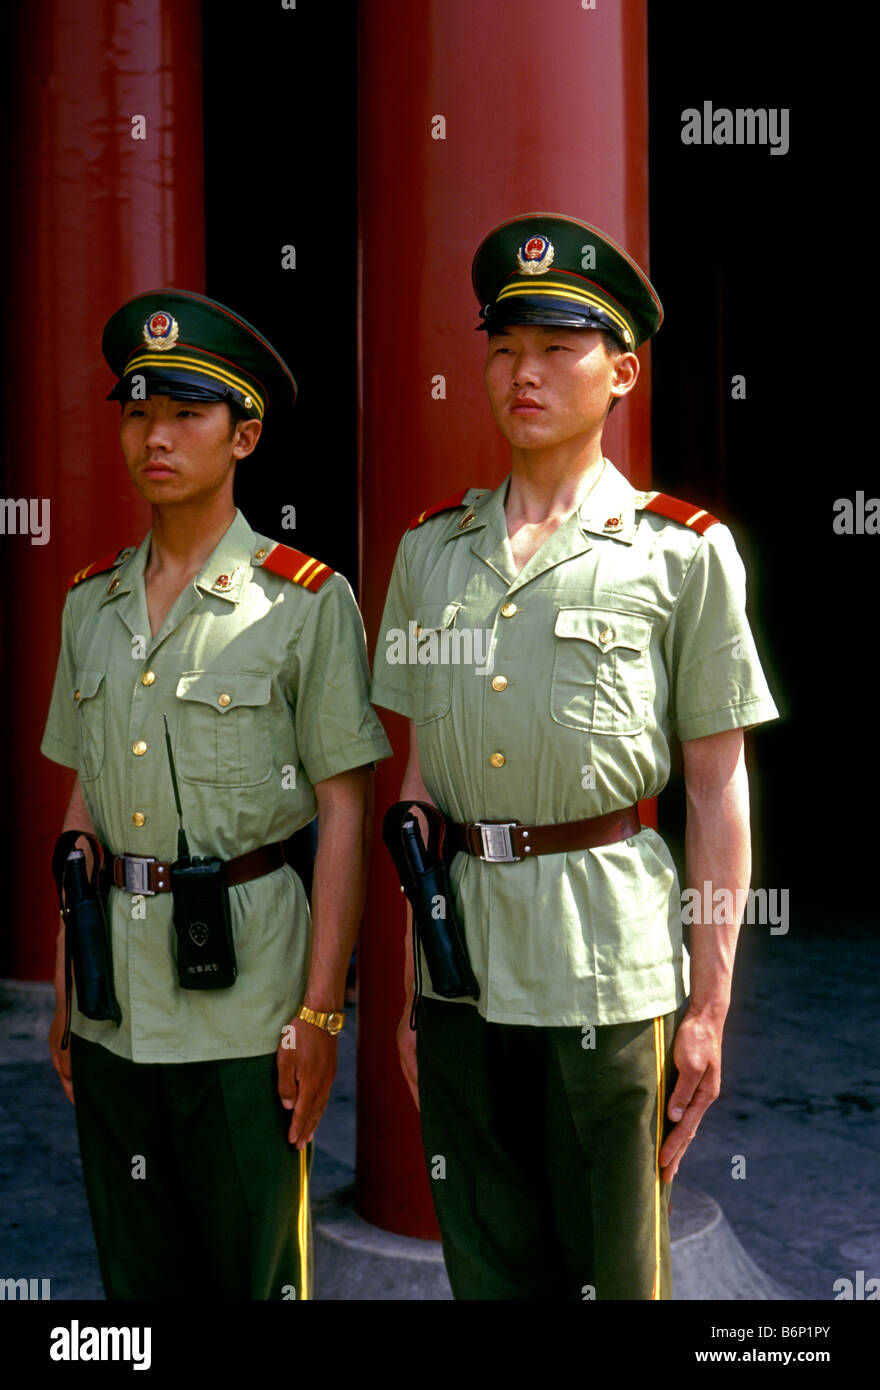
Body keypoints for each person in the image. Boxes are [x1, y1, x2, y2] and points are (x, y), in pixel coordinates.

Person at [370, 213, 779, 1300]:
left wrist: (707, 1005)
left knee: (613, 1267)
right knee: (487, 1260)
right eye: (504, 346)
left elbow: (714, 787)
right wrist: (416, 986)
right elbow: (416, 781)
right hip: (461, 965)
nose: (524, 372)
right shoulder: (429, 553)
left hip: (608, 955)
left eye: (558, 347)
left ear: (623, 372)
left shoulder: (680, 551)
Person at [41, 289, 392, 1300]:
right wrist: (68, 984)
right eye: (137, 411)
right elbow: (82, 804)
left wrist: (321, 1014)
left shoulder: (305, 602)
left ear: (243, 434)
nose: (154, 436)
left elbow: (344, 810)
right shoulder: (89, 607)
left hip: (250, 1007)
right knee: (135, 1283)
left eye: (185, 414)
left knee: (255, 1275)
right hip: (116, 1002)